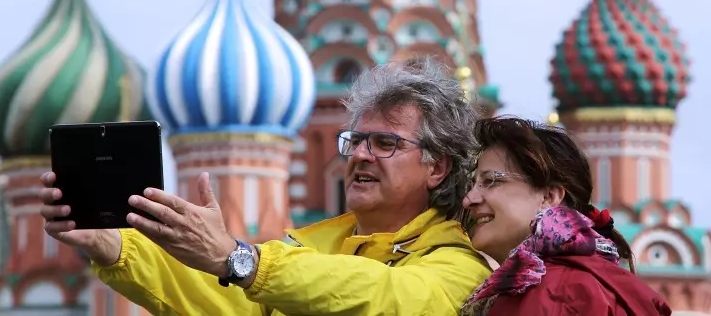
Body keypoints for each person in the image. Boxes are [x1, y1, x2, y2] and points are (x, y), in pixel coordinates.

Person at [40, 57, 492, 316]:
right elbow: (224, 307)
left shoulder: (459, 267)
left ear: (438, 168)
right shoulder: (311, 250)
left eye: (385, 143)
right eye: (354, 140)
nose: (358, 155)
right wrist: (115, 245)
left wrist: (241, 261)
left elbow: (386, 298)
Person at [458, 116, 672, 315]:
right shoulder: (574, 282)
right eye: (473, 184)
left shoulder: (557, 293)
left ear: (550, 196)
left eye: (491, 181)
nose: (469, 199)